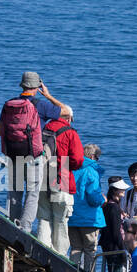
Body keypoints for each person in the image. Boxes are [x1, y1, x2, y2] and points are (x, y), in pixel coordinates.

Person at [0, 78, 44, 233]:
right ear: (36, 87)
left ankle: (13, 223)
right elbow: (64, 111)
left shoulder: (9, 104)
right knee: (33, 192)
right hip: (32, 156)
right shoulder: (39, 104)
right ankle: (25, 227)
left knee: (15, 191)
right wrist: (48, 95)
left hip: (12, 153)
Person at [36, 104, 84, 254]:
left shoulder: (43, 128)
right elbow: (77, 160)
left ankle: (42, 251)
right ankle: (58, 256)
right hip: (61, 174)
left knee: (43, 216)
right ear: (69, 118)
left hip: (42, 174)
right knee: (61, 219)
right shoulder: (70, 133)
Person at [67, 142, 105, 264]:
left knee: (75, 248)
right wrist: (103, 199)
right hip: (89, 219)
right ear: (93, 157)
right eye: (97, 158)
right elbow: (93, 198)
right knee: (90, 250)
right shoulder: (91, 171)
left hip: (72, 217)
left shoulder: (71, 167)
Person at [99, 177, 129, 272]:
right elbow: (116, 232)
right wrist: (123, 250)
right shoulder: (114, 208)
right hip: (114, 247)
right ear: (115, 190)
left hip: (107, 244)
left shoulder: (107, 205)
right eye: (121, 189)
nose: (124, 191)